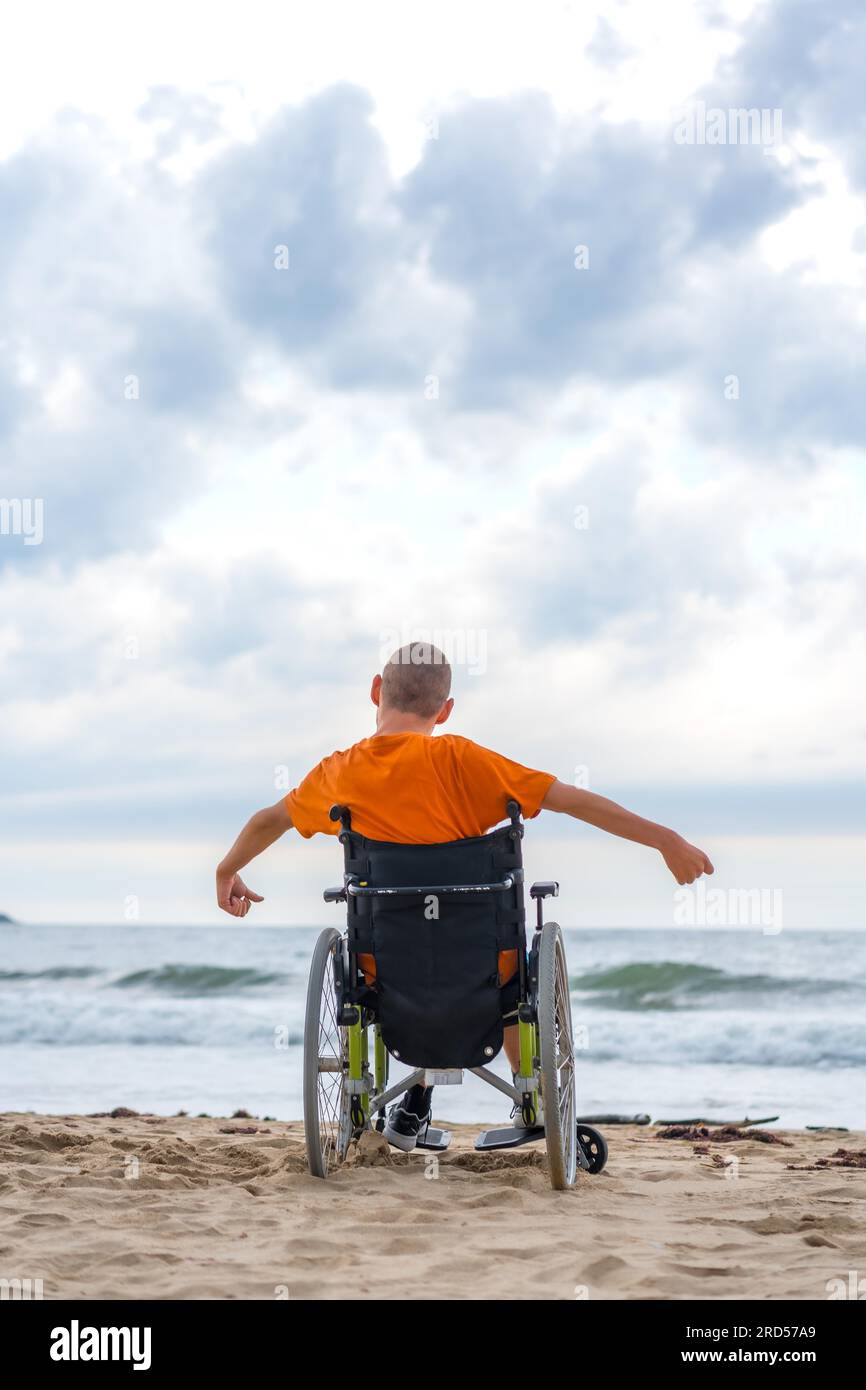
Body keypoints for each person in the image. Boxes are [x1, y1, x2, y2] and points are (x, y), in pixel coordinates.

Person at [216, 642, 713, 1150]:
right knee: (511, 970)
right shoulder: (468, 760)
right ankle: (527, 1100)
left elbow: (267, 820)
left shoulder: (339, 773)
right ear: (446, 710)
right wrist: (666, 841)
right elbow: (574, 801)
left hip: (382, 967)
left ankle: (412, 1099)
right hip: (483, 967)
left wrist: (227, 869)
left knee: (408, 946)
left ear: (375, 691)